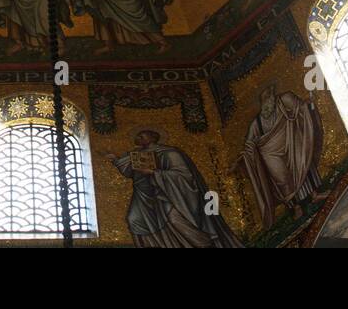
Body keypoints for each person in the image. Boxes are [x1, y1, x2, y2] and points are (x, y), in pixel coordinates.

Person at [107, 129, 242, 247]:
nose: (138, 138)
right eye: (137, 136)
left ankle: (202, 243)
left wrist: (154, 173)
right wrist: (115, 160)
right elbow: (129, 171)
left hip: (167, 195)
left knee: (174, 218)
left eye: (142, 135)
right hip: (143, 196)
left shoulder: (170, 153)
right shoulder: (135, 155)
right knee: (134, 219)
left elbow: (184, 175)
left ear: (153, 137)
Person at [236, 85, 324, 224]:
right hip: (270, 155)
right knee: (283, 180)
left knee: (302, 162)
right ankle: (295, 207)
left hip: (290, 142)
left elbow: (300, 107)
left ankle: (315, 194)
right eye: (264, 102)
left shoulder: (284, 100)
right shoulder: (256, 123)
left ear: (273, 98)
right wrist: (244, 157)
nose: (267, 105)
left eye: (269, 100)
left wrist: (308, 104)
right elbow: (249, 143)